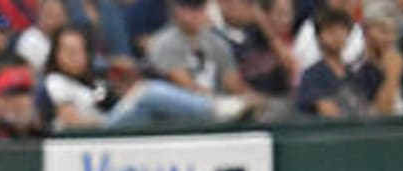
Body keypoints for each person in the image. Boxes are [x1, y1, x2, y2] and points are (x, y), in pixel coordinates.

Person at [42, 24, 254, 126]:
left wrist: (124, 98)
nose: (73, 57)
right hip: (90, 137)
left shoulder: (90, 82)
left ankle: (214, 122)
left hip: (106, 131)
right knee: (149, 92)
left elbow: (105, 101)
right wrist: (120, 110)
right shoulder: (56, 80)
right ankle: (215, 108)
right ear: (56, 53)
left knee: (155, 109)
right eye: (67, 51)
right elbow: (70, 120)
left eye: (78, 51)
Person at [296, 5, 378, 113]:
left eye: (342, 30)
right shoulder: (312, 75)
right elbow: (325, 109)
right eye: (331, 30)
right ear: (319, 36)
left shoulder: (354, 74)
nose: (337, 36)